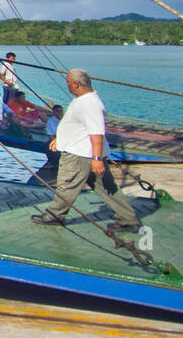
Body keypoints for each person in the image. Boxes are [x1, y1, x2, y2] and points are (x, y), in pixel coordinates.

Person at [32, 69, 140, 231]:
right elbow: (78, 127)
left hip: (80, 155)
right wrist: (60, 138)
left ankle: (54, 215)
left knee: (67, 184)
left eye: (68, 82)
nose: (67, 85)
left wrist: (96, 159)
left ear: (76, 84)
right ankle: (128, 219)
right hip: (84, 152)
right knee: (106, 187)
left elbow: (96, 133)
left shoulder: (89, 104)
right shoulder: (84, 100)